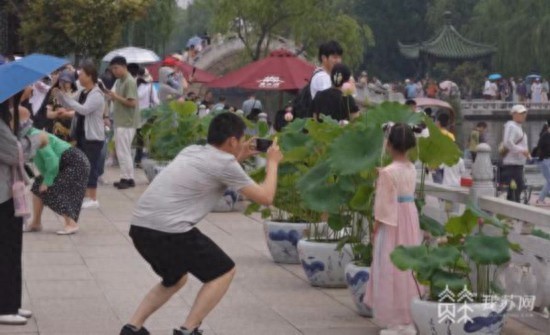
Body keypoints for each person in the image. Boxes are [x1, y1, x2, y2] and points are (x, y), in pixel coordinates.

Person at [119, 113, 283, 335]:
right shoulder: (225, 164)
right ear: (233, 140)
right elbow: (266, 197)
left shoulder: (193, 150)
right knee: (223, 271)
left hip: (140, 227)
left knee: (175, 278)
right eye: (241, 138)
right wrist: (272, 163)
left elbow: (214, 168)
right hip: (170, 231)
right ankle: (188, 329)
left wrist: (239, 156)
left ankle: (132, 328)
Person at [365, 123, 423, 335]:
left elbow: (383, 206)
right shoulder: (411, 167)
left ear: (389, 144)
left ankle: (395, 319)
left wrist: (376, 227)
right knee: (408, 267)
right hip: (409, 216)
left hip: (392, 221)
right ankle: (409, 316)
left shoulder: (388, 172)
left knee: (390, 264)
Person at [0, 94, 41, 325]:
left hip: (7, 193)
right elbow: (16, 154)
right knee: (6, 251)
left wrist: (24, 126)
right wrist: (36, 139)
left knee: (12, 250)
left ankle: (11, 302)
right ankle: (4, 306)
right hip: (2, 196)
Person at [55, 62, 106, 209]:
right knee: (83, 165)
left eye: (82, 74)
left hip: (93, 137)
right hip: (82, 134)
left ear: (90, 76)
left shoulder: (96, 94)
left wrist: (68, 99)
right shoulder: (83, 91)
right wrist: (60, 95)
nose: (79, 76)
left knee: (91, 166)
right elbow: (70, 105)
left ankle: (93, 198)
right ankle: (84, 196)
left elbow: (83, 109)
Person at [107, 56, 140, 190]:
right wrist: (113, 98)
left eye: (116, 68)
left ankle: (129, 178)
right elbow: (120, 101)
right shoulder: (120, 81)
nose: (114, 71)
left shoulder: (129, 81)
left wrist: (116, 97)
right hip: (120, 120)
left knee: (124, 151)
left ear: (124, 67)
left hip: (127, 122)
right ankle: (125, 176)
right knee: (121, 151)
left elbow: (132, 103)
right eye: (112, 69)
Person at [501, 104, 530, 202]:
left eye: (524, 113)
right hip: (513, 164)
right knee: (518, 187)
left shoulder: (517, 127)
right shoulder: (512, 126)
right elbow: (508, 142)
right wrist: (522, 150)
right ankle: (514, 208)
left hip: (517, 163)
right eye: (521, 113)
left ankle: (512, 207)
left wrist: (526, 153)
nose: (524, 115)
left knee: (515, 188)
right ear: (514, 114)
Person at [135, 67, 159, 167]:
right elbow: (156, 101)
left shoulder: (133, 85)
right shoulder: (150, 86)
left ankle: (137, 159)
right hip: (146, 114)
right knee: (143, 137)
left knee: (136, 137)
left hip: (134, 114)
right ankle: (140, 159)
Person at [535, 122, 550, 206]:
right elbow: (539, 148)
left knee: (549, 182)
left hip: (548, 160)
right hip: (544, 161)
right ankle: (540, 200)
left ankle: (540, 199)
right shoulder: (544, 136)